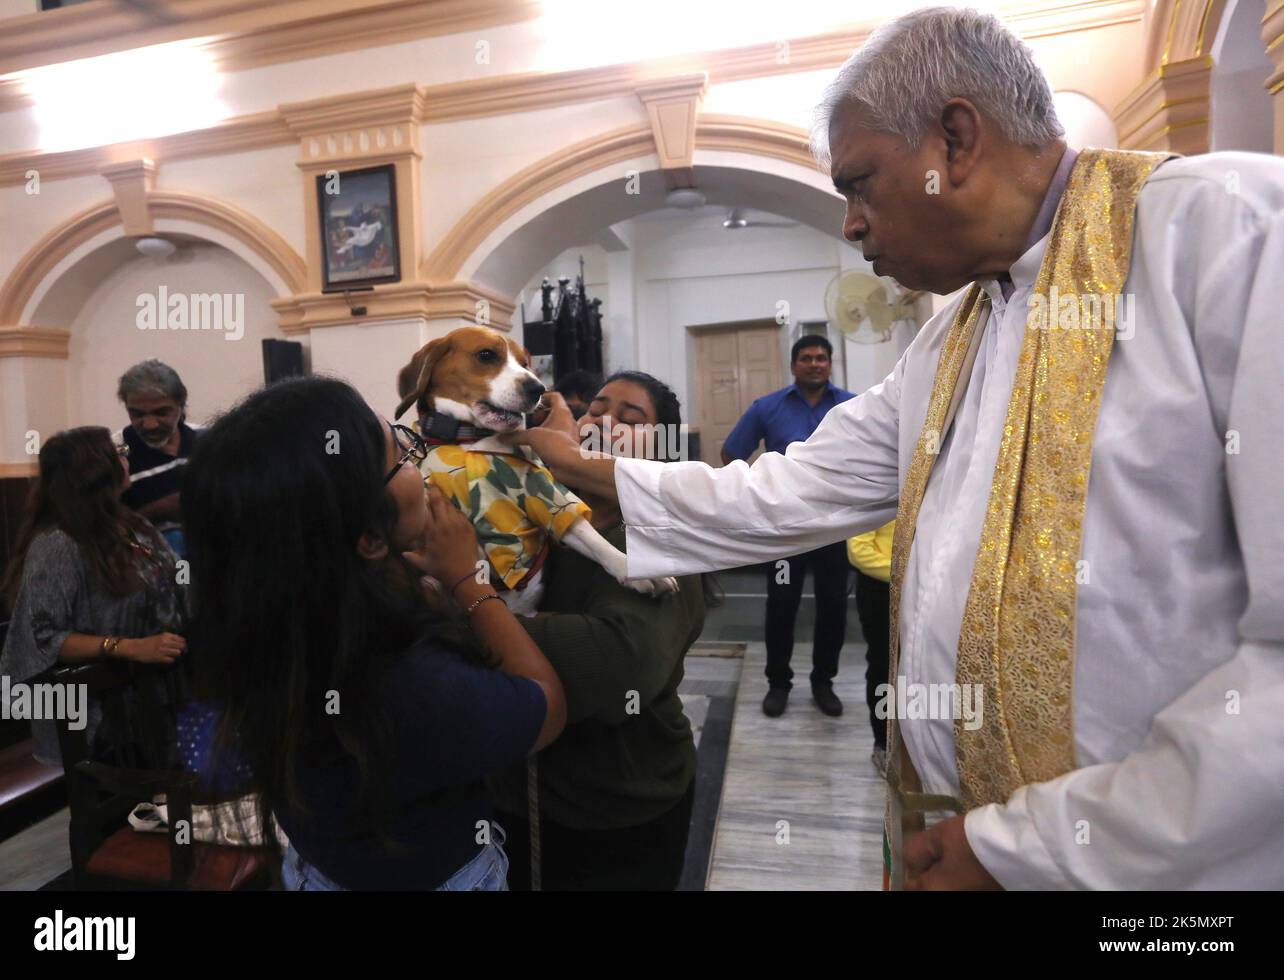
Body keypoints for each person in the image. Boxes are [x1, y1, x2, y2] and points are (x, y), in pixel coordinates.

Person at [507, 6, 1284, 890]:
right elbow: (790, 490)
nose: (852, 225)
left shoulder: (1234, 236)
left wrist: (1033, 849)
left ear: (956, 138)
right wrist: (574, 467)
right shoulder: (953, 333)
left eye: (860, 183)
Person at [181, 376, 566, 891]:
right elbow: (547, 707)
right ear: (367, 537)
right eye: (403, 458)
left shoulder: (271, 633)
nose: (418, 467)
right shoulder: (409, 682)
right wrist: (468, 582)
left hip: (318, 868)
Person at [470, 372, 705, 890]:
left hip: (620, 802)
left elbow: (618, 664)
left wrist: (473, 615)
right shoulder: (536, 520)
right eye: (596, 409)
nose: (605, 420)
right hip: (517, 793)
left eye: (631, 417)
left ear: (660, 450)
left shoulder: (664, 537)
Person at [0, 427, 188, 767]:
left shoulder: (132, 525)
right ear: (96, 472)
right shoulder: (58, 544)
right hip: (104, 713)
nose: (126, 458)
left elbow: (176, 584)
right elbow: (42, 637)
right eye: (119, 452)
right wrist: (127, 647)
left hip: (159, 691)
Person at [722, 335, 855, 718]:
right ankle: (778, 683)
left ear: (830, 364)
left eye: (821, 358)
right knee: (782, 605)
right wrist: (755, 493)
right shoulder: (768, 407)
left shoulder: (850, 406)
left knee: (833, 606)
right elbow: (732, 453)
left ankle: (823, 683)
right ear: (794, 365)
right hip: (784, 528)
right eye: (807, 358)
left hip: (833, 525)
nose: (815, 364)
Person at [113, 359, 201, 557]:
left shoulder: (207, 440)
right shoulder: (116, 453)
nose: (150, 424)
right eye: (137, 414)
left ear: (181, 405)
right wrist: (157, 511)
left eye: (162, 413)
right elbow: (105, 532)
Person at [848, 521, 893, 778]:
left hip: (918, 586)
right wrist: (904, 571)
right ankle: (883, 743)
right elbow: (858, 551)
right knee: (882, 665)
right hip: (879, 588)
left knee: (915, 667)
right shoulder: (884, 486)